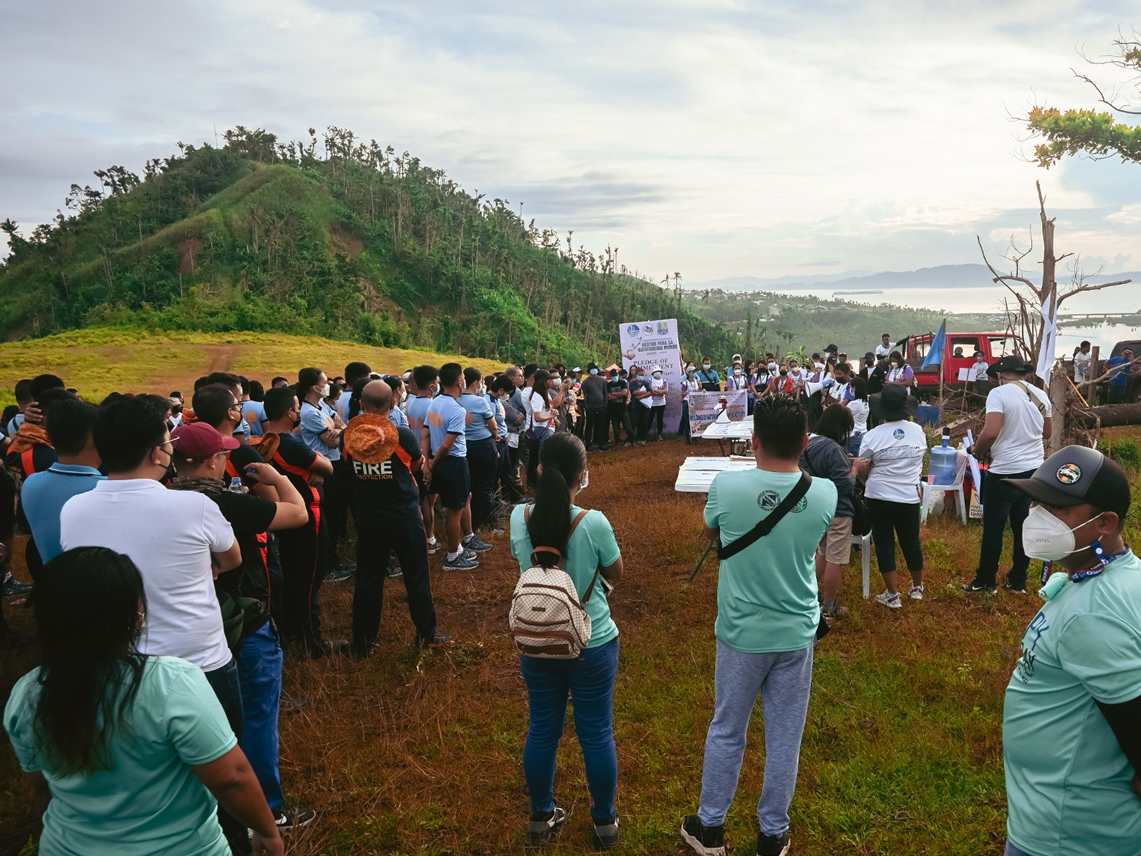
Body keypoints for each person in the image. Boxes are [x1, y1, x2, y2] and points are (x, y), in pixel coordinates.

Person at [56, 396, 253, 850]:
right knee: (221, 776)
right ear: (157, 453)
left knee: (146, 777)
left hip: (117, 667)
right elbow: (232, 558)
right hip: (200, 664)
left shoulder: (74, 510)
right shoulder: (191, 508)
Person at [3, 547, 284, 856]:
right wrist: (267, 832)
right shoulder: (171, 683)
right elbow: (231, 778)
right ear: (130, 613)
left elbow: (41, 787)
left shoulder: (26, 694)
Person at [682, 396, 836, 856]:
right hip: (796, 633)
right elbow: (815, 541)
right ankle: (773, 833)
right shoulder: (824, 493)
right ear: (806, 442)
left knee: (728, 728)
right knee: (785, 735)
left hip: (741, 634)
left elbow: (711, 533)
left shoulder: (725, 488)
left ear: (753, 440)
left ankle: (710, 828)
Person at [168, 422, 315, 832]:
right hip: (242, 623)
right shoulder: (223, 504)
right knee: (256, 715)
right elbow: (298, 514)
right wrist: (277, 478)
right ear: (214, 461)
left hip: (183, 630)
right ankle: (267, 809)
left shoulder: (162, 500)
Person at [999, 446, 1140, 856]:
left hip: (1068, 834)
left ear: (1105, 524)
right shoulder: (1115, 576)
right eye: (1038, 503)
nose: (1038, 517)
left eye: (1058, 509)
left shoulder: (1094, 613)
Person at [509, 432, 622, 850]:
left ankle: (542, 814)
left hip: (537, 639)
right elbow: (616, 573)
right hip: (591, 641)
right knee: (595, 733)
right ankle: (604, 821)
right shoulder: (592, 521)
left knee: (541, 729)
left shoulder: (519, 518)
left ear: (538, 470)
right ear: (582, 474)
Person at [345, 380, 449, 655]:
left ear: (362, 405)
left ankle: (363, 642)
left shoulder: (350, 435)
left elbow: (346, 466)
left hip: (368, 517)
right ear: (393, 404)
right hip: (403, 516)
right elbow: (415, 466)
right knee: (416, 577)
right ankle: (426, 635)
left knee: (368, 579)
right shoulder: (401, 435)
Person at [962, 356, 1053, 595]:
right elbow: (1047, 432)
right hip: (1034, 470)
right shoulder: (1040, 395)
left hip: (1005, 470)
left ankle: (985, 580)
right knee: (1022, 525)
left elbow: (991, 432)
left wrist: (976, 450)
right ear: (1023, 373)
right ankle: (1018, 581)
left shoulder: (999, 394)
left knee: (994, 527)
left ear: (1001, 376)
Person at [261, 386, 341, 656]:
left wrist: (311, 471)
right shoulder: (290, 444)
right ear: (288, 413)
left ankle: (291, 629)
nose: (299, 411)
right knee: (309, 578)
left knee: (293, 573)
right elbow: (327, 467)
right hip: (309, 515)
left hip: (284, 515)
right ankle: (311, 640)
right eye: (296, 407)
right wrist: (314, 470)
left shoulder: (265, 441)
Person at [856, 385, 926, 608]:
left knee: (885, 543)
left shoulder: (871, 436)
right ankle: (917, 587)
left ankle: (892, 595)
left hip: (879, 496)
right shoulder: (918, 431)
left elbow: (863, 466)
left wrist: (867, 482)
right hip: (909, 495)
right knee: (911, 542)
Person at [19, 397, 104, 567]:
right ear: (94, 438)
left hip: (52, 584)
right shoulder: (104, 489)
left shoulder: (31, 484)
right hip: (98, 587)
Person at [425, 363, 484, 571]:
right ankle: (452, 556)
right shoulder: (457, 410)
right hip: (453, 462)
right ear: (460, 381)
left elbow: (426, 434)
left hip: (438, 461)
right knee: (454, 510)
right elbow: (448, 444)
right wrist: (431, 462)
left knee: (460, 501)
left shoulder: (434, 403)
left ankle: (459, 546)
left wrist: (428, 462)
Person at [296, 367, 353, 579]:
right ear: (314, 387)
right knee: (327, 513)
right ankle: (328, 565)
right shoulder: (308, 412)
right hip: (323, 465)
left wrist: (338, 431)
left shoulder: (320, 405)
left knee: (335, 510)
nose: (328, 385)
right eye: (324, 382)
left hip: (334, 462)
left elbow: (341, 426)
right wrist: (339, 432)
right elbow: (333, 439)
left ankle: (334, 557)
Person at [801, 404, 856, 619]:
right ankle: (829, 606)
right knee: (836, 558)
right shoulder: (833, 448)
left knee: (821, 553)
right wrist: (855, 469)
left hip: (816, 507)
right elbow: (845, 484)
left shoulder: (807, 443)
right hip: (839, 510)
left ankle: (809, 596)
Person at [460, 367, 499, 532]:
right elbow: (493, 426)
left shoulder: (456, 399)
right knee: (485, 486)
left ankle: (471, 521)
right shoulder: (480, 401)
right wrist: (495, 436)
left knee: (470, 485)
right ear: (475, 383)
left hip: (464, 446)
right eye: (481, 381)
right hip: (483, 445)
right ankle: (487, 522)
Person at [407, 365, 441, 554]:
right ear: (431, 385)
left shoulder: (411, 403)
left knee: (425, 499)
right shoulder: (431, 406)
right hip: (428, 456)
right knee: (429, 500)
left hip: (416, 455)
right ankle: (430, 537)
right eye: (436, 382)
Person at [525, 369, 560, 486]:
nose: (550, 382)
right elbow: (538, 417)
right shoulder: (536, 396)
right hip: (542, 431)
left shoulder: (543, 394)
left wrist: (553, 417)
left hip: (547, 429)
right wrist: (552, 415)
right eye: (548, 380)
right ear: (542, 381)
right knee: (544, 461)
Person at [580, 363, 609, 452]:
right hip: (591, 407)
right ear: (589, 371)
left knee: (600, 426)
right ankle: (588, 444)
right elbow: (583, 396)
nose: (594, 371)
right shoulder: (585, 382)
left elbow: (605, 393)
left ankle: (601, 443)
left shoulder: (602, 381)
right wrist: (587, 407)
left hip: (601, 406)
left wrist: (605, 404)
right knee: (589, 426)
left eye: (595, 369)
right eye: (592, 369)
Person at [843, 377, 870, 456]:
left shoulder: (854, 404)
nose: (850, 390)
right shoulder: (866, 402)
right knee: (863, 457)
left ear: (854, 388)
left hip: (853, 434)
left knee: (853, 459)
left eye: (851, 387)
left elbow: (843, 416)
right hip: (863, 432)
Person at [605, 367, 631, 448]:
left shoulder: (622, 382)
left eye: (615, 375)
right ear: (610, 376)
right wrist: (618, 395)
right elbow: (607, 396)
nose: (614, 377)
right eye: (612, 376)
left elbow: (624, 393)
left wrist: (613, 394)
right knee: (615, 428)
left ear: (618, 375)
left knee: (627, 426)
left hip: (622, 409)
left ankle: (631, 440)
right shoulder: (608, 385)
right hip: (612, 410)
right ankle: (618, 442)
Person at [627, 366, 651, 445]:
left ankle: (642, 439)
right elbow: (634, 392)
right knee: (633, 422)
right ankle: (631, 439)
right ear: (636, 375)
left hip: (645, 406)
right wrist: (644, 392)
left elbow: (650, 392)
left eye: (642, 375)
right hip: (635, 406)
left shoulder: (646, 383)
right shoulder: (632, 383)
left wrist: (640, 396)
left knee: (644, 422)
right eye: (639, 374)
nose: (641, 376)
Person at [646, 365, 669, 441]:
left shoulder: (664, 381)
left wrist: (656, 391)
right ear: (653, 373)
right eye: (655, 372)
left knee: (660, 419)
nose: (657, 373)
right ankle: (644, 435)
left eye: (658, 371)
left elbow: (665, 391)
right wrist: (660, 392)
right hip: (651, 403)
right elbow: (650, 391)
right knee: (649, 419)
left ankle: (659, 435)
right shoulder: (650, 380)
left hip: (661, 403)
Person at [680, 365, 701, 444]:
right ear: (689, 373)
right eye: (693, 372)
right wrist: (687, 392)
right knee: (687, 420)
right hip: (687, 402)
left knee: (695, 420)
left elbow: (699, 390)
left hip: (695, 402)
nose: (695, 373)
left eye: (695, 372)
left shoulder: (697, 381)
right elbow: (682, 394)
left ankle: (694, 436)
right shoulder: (685, 383)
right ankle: (687, 439)